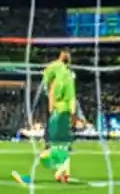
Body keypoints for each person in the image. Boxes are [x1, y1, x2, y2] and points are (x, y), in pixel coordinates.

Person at [13, 49, 78, 184]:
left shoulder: (56, 71)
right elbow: (71, 99)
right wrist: (73, 118)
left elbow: (49, 83)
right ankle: (63, 173)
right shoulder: (68, 75)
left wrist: (51, 100)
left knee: (52, 148)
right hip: (63, 114)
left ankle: (34, 176)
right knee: (61, 147)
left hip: (58, 114)